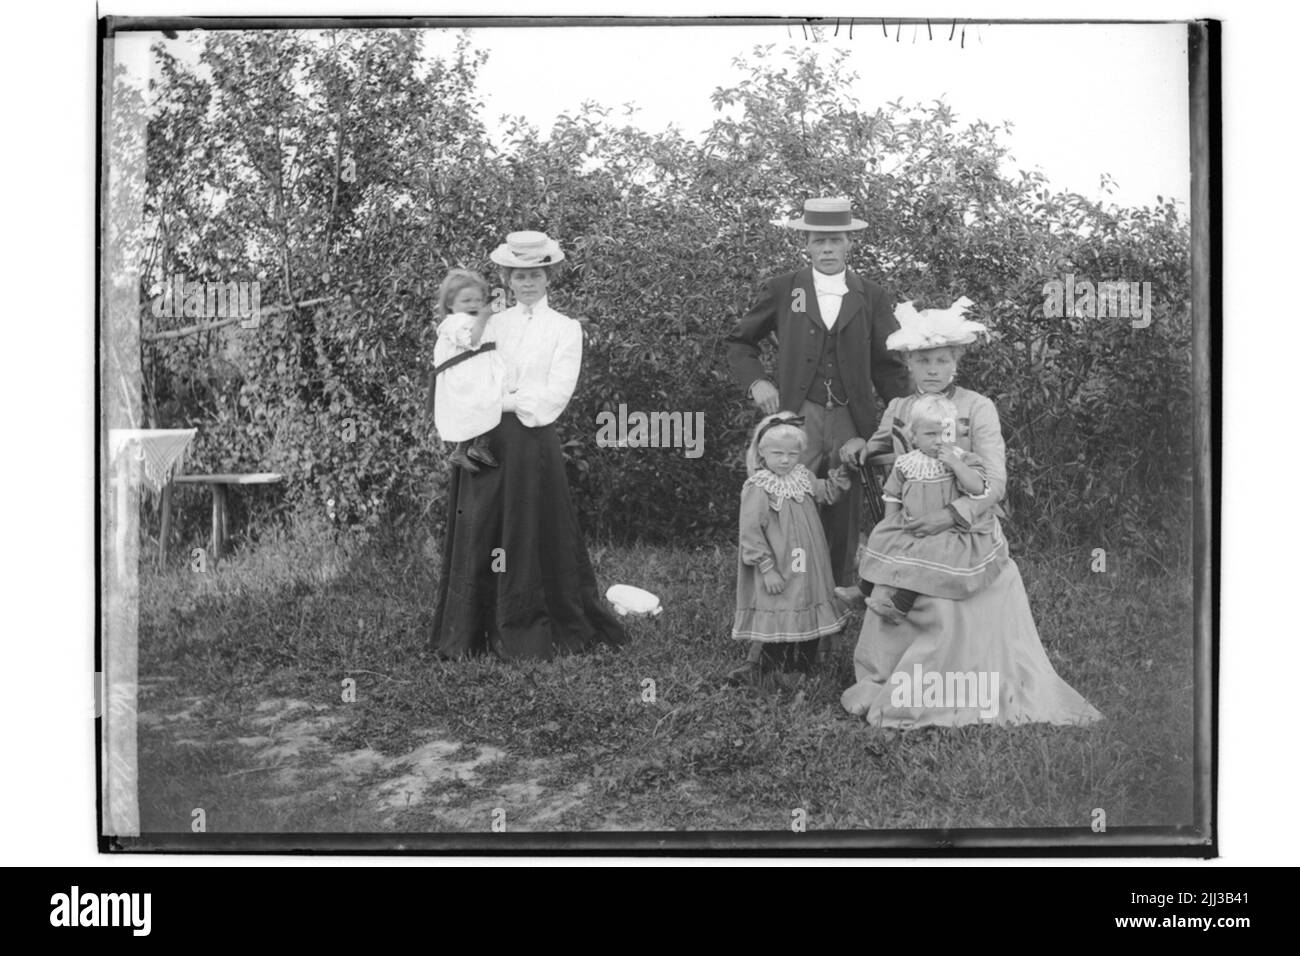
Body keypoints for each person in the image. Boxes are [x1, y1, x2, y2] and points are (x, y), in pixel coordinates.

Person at [838, 296, 1101, 727]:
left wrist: (951, 514)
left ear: (956, 361)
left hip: (965, 525)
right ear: (909, 364)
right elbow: (882, 445)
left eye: (941, 360)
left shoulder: (977, 407)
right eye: (923, 361)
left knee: (939, 593)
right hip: (912, 520)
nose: (933, 370)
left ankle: (948, 685)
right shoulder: (900, 407)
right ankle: (882, 674)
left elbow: (994, 481)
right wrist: (860, 446)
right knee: (891, 556)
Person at [725, 196, 911, 682]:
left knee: (839, 519)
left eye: (836, 238)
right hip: (798, 419)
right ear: (805, 243)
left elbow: (889, 366)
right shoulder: (784, 289)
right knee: (784, 517)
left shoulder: (870, 294)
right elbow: (738, 342)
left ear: (850, 242)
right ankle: (773, 637)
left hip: (851, 420)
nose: (827, 247)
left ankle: (823, 633)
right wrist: (757, 382)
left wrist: (905, 418)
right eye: (818, 239)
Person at [430, 231, 628, 660]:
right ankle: (475, 628)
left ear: (549, 277)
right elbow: (455, 373)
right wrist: (484, 407)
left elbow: (557, 392)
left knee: (533, 529)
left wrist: (508, 402)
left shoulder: (566, 329)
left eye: (535, 275)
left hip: (532, 439)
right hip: (485, 437)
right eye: (519, 276)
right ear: (507, 278)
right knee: (484, 527)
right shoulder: (487, 321)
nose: (527, 284)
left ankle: (536, 623)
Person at [836, 393, 1009, 624]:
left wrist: (956, 465)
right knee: (881, 537)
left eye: (945, 433)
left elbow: (979, 488)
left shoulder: (962, 458)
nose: (938, 440)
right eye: (930, 434)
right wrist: (889, 525)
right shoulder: (907, 462)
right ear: (914, 437)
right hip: (911, 520)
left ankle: (898, 606)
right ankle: (864, 589)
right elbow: (892, 494)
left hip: (948, 528)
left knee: (928, 550)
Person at [731, 414, 852, 679]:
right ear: (762, 453)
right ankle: (770, 664)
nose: (785, 460)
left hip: (809, 560)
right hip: (779, 562)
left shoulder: (803, 476)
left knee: (808, 599)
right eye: (777, 454)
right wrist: (766, 568)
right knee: (781, 605)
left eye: (792, 454)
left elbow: (826, 493)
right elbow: (751, 531)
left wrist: (840, 477)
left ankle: (803, 667)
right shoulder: (759, 487)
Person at [430, 268, 503, 474]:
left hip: (479, 373)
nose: (474, 305)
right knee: (477, 406)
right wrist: (483, 317)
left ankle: (476, 445)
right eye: (467, 301)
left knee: (487, 405)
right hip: (465, 378)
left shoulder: (474, 320)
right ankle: (465, 449)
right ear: (451, 305)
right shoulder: (454, 323)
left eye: (478, 300)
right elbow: (471, 339)